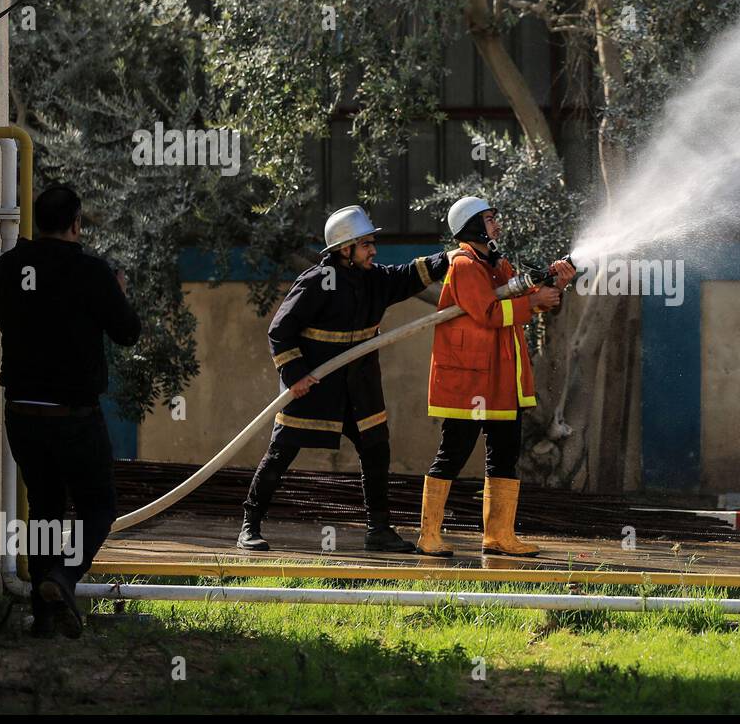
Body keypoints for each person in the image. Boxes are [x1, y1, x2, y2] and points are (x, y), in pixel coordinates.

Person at [237, 205, 449, 553]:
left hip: (360, 388)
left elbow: (408, 275)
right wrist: (294, 375)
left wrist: (450, 258)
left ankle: (378, 530)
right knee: (281, 452)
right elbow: (280, 331)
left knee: (376, 450)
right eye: (366, 244)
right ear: (345, 249)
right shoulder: (317, 282)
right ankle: (250, 525)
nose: (374, 251)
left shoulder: (375, 279)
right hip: (315, 388)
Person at [0, 185, 142, 638]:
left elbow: (6, 318)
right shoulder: (92, 273)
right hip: (73, 416)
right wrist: (116, 293)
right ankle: (65, 577)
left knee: (43, 510)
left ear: (38, 221)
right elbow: (128, 333)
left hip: (21, 412)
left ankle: (44, 616)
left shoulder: (10, 266)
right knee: (99, 504)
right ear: (76, 224)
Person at [415, 196, 574, 557]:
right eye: (489, 219)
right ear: (472, 226)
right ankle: (429, 536)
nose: (497, 225)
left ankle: (499, 536)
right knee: (452, 455)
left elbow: (525, 299)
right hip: (470, 384)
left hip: (502, 383)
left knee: (503, 457)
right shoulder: (465, 266)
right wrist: (533, 301)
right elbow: (488, 312)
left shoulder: (495, 264)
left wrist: (554, 284)